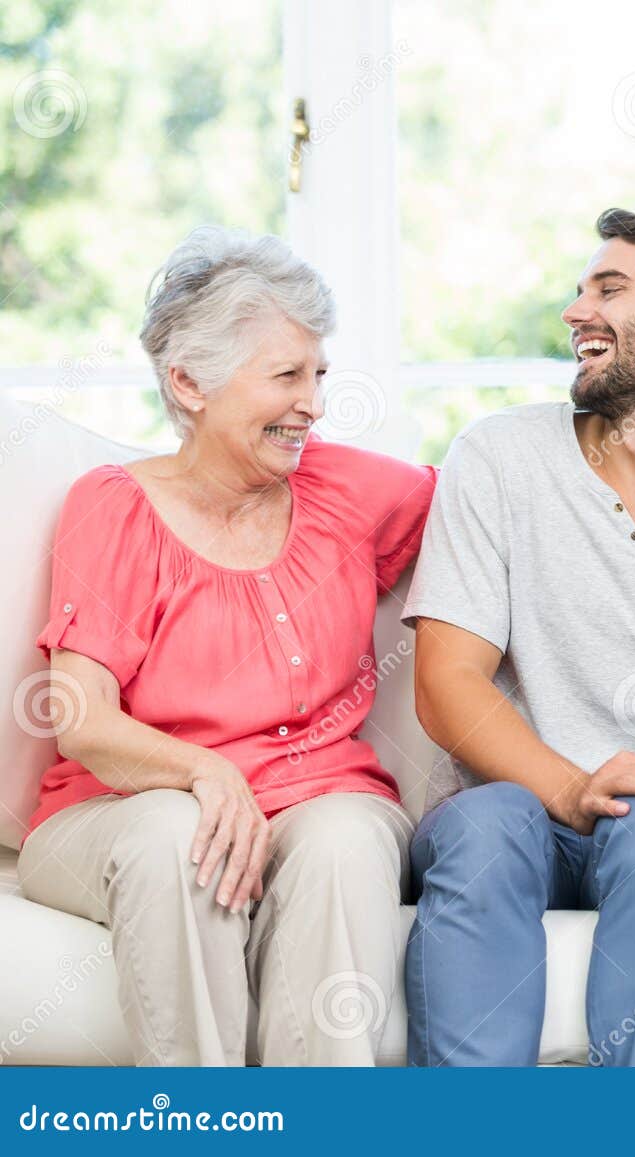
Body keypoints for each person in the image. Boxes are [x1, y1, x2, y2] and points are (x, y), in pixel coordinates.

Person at [18, 227, 435, 1065]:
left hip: (320, 796)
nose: (313, 402)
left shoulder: (351, 490)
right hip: (121, 809)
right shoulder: (115, 507)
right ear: (188, 382)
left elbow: (500, 517)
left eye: (319, 373)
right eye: (286, 375)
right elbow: (83, 722)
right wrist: (208, 773)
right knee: (182, 830)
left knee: (346, 840)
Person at [402, 208, 635, 1066]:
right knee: (488, 822)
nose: (576, 311)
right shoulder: (499, 456)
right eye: (580, 291)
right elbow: (446, 683)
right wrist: (572, 790)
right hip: (517, 802)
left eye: (609, 288)